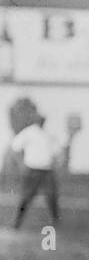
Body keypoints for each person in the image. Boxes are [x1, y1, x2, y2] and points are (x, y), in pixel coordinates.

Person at [9, 97, 61, 230]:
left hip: (46, 170)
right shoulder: (29, 132)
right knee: (26, 197)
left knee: (51, 196)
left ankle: (56, 222)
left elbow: (56, 151)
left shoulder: (48, 133)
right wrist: (21, 164)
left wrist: (55, 164)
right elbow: (15, 148)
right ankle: (17, 223)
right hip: (32, 170)